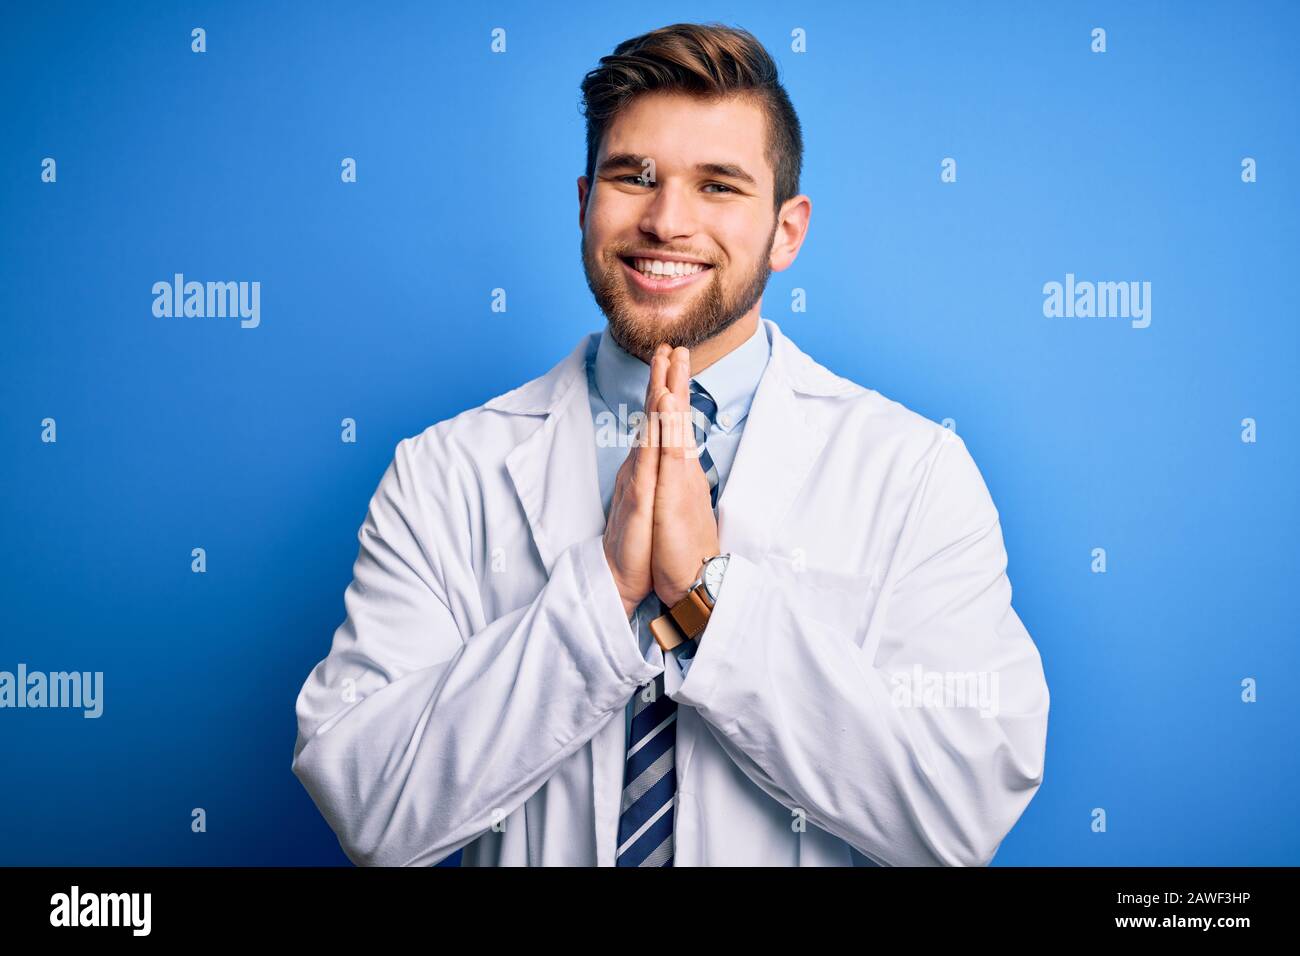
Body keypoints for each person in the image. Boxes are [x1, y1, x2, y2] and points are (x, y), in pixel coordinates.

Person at [291, 22, 1049, 867]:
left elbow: (959, 811)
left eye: (719, 185)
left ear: (786, 231)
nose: (665, 221)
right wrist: (604, 592)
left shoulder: (915, 475)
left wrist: (706, 599)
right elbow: (370, 808)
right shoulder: (441, 473)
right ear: (584, 203)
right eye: (632, 177)